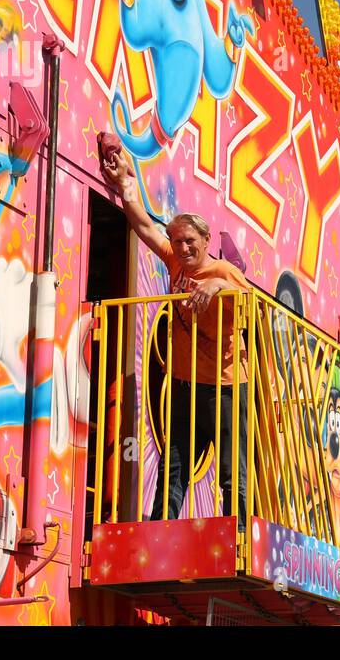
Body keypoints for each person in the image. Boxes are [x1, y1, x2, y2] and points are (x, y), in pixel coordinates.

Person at [101, 150, 252, 526]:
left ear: (204, 239)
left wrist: (217, 285)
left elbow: (250, 303)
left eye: (190, 241)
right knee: (174, 465)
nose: (182, 248)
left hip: (226, 386)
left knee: (232, 472)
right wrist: (125, 184)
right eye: (178, 241)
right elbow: (145, 228)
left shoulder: (222, 270)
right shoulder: (175, 262)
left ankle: (238, 538)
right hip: (186, 384)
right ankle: (158, 531)